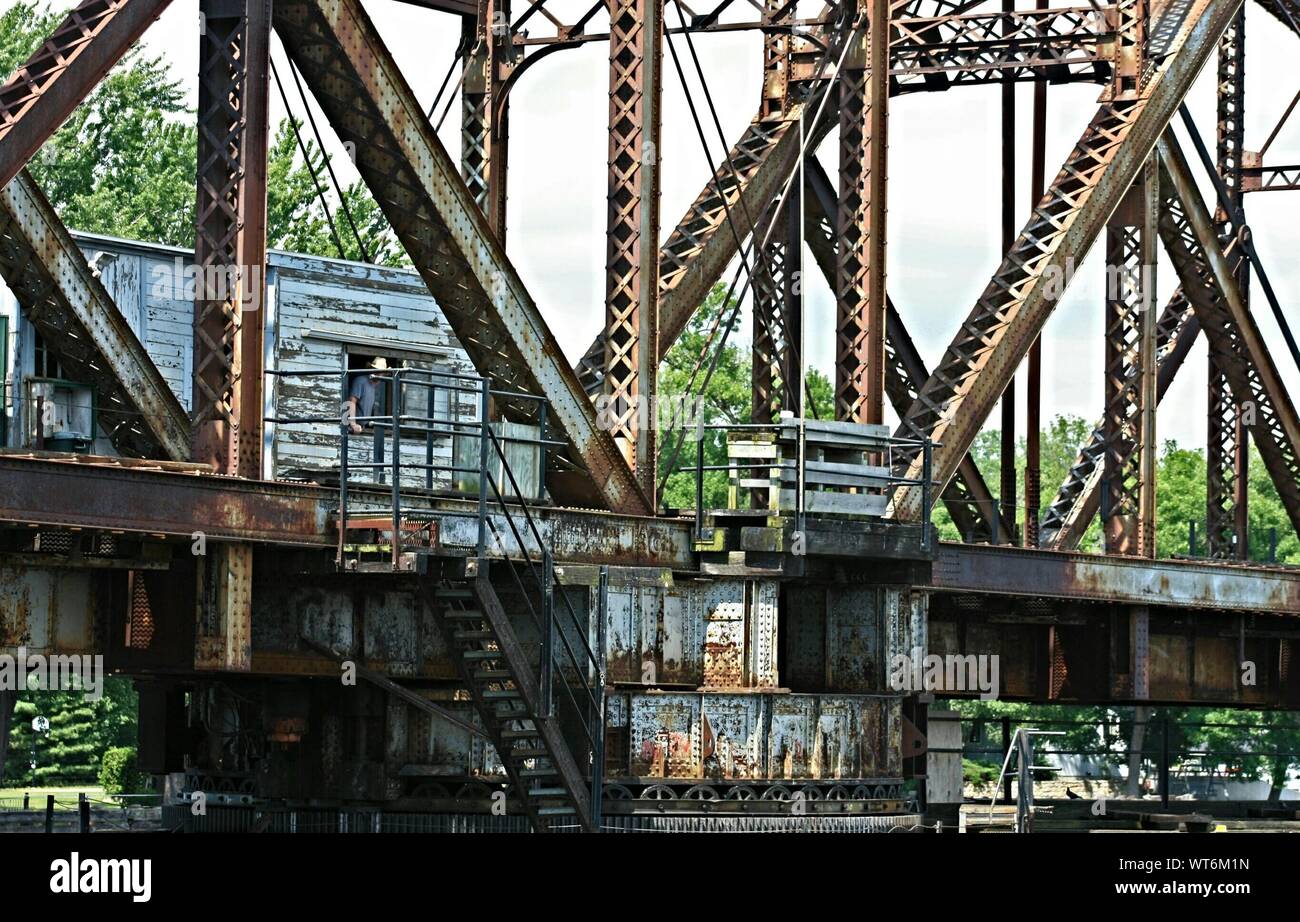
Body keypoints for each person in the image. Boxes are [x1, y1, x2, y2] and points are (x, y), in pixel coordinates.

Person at [344, 356, 387, 434]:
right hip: (351, 427)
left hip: (363, 427)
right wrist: (353, 424)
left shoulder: (379, 386)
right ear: (371, 369)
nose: (378, 373)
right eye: (376, 370)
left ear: (384, 373)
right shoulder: (361, 381)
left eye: (381, 371)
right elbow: (352, 401)